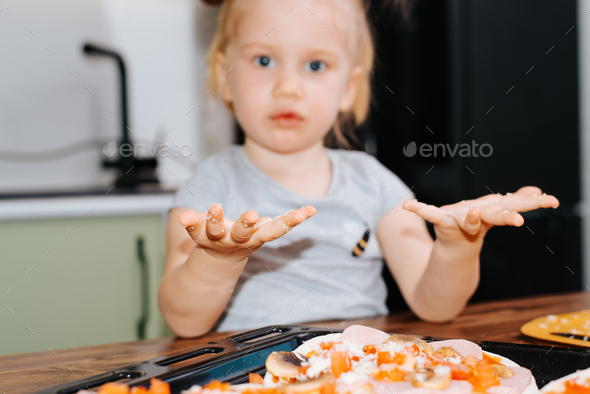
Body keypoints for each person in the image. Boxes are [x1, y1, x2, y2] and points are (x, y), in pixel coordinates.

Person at [158, 0, 559, 338]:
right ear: (224, 77)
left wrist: (457, 247)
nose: (288, 87)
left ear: (348, 87)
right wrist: (218, 260)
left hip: (361, 371)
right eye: (264, 60)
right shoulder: (206, 191)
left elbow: (434, 306)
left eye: (315, 66)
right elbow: (183, 321)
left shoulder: (375, 184)